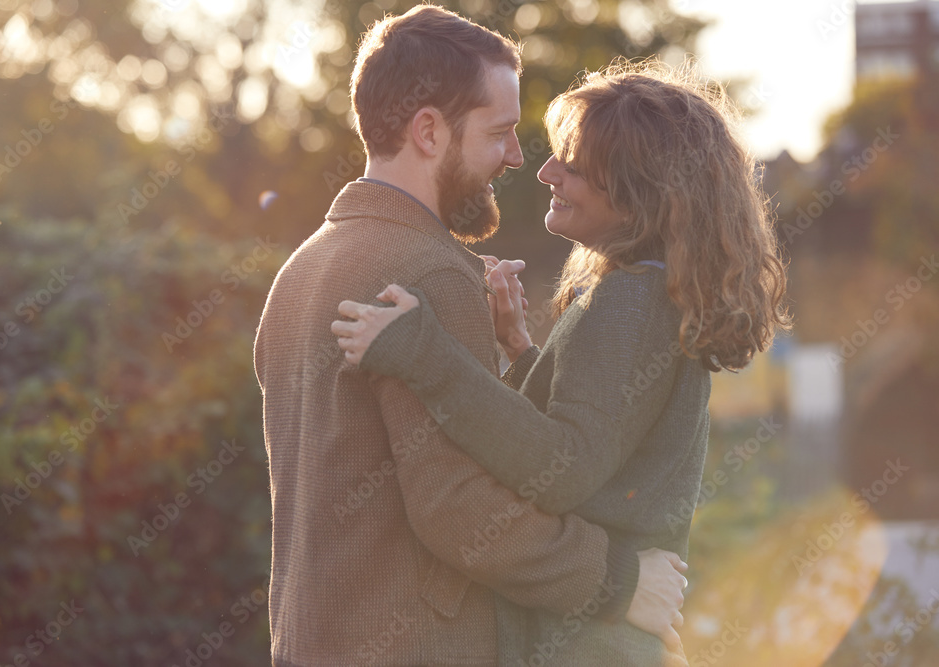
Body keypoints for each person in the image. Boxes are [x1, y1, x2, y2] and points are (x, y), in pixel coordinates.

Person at [254, 7, 688, 666]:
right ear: (429, 131)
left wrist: (512, 351)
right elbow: (459, 510)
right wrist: (617, 580)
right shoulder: (430, 270)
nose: (517, 157)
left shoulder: (301, 268)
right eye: (500, 133)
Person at [331, 59, 792, 664]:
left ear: (637, 192)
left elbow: (562, 467)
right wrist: (522, 352)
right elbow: (597, 437)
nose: (545, 171)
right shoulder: (649, 294)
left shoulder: (631, 301)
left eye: (572, 167)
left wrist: (422, 351)